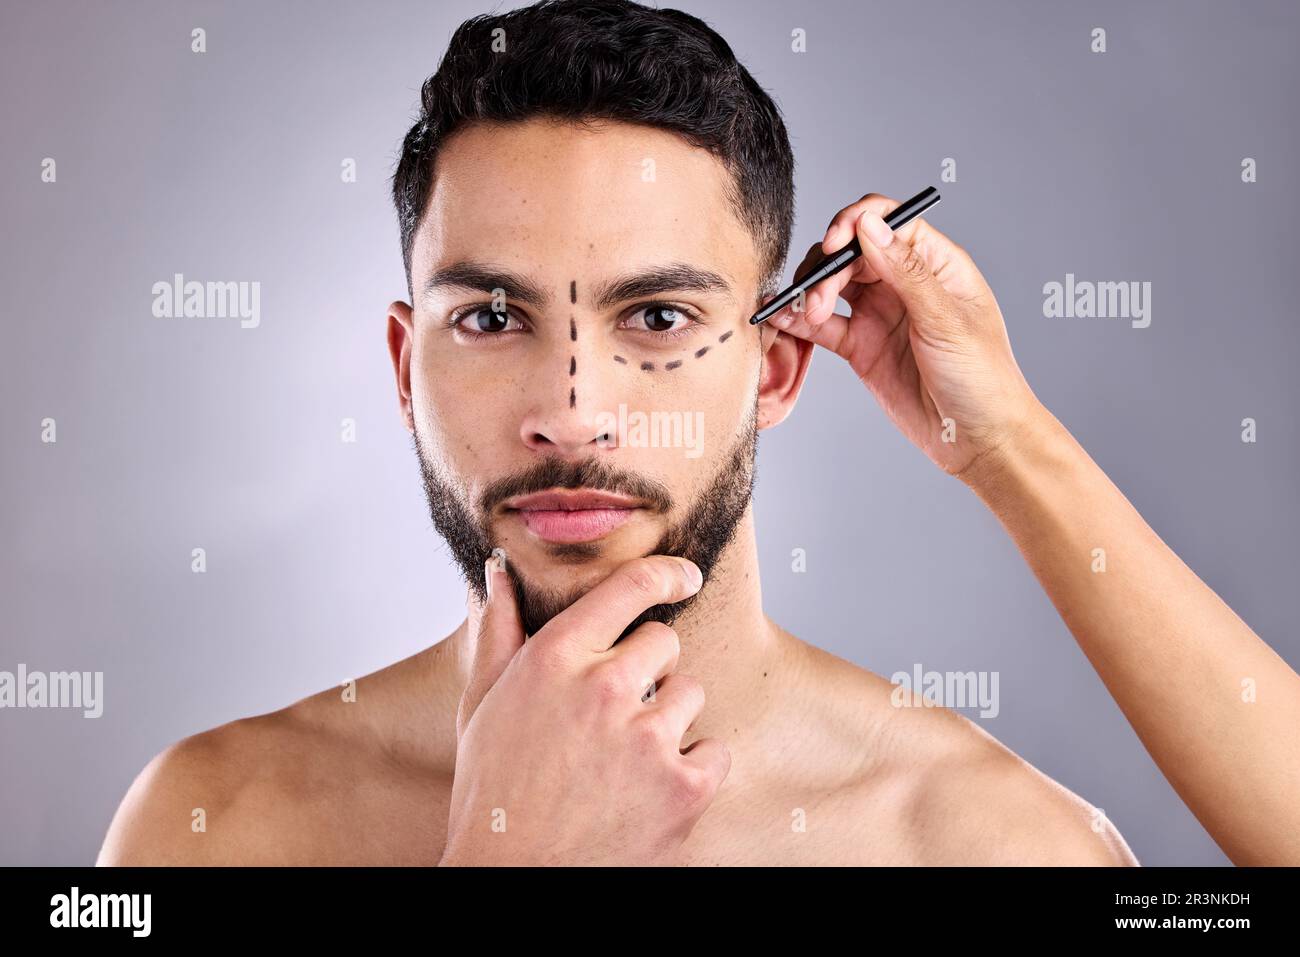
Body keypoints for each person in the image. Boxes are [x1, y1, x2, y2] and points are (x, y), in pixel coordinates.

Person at [97, 0, 1295, 867]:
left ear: (774, 367)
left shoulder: (981, 843)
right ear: (408, 368)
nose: (570, 409)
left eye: (658, 317)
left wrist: (1007, 442)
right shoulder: (213, 826)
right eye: (495, 317)